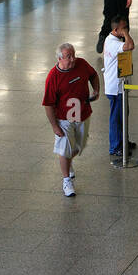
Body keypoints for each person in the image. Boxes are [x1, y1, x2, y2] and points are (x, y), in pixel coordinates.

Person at [42, 43, 99, 197]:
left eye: (73, 55)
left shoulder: (81, 64)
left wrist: (96, 90)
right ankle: (66, 180)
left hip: (83, 113)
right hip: (64, 118)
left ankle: (68, 161)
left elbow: (93, 75)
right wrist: (55, 126)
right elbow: (48, 104)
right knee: (64, 149)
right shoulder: (53, 77)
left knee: (79, 146)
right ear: (60, 58)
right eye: (69, 56)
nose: (73, 59)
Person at [101, 15, 135, 158]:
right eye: (124, 27)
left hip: (118, 86)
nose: (126, 29)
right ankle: (115, 147)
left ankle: (123, 141)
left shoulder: (112, 40)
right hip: (116, 88)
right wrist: (126, 34)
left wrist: (124, 32)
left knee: (122, 115)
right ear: (116, 30)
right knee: (116, 119)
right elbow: (130, 45)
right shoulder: (113, 43)